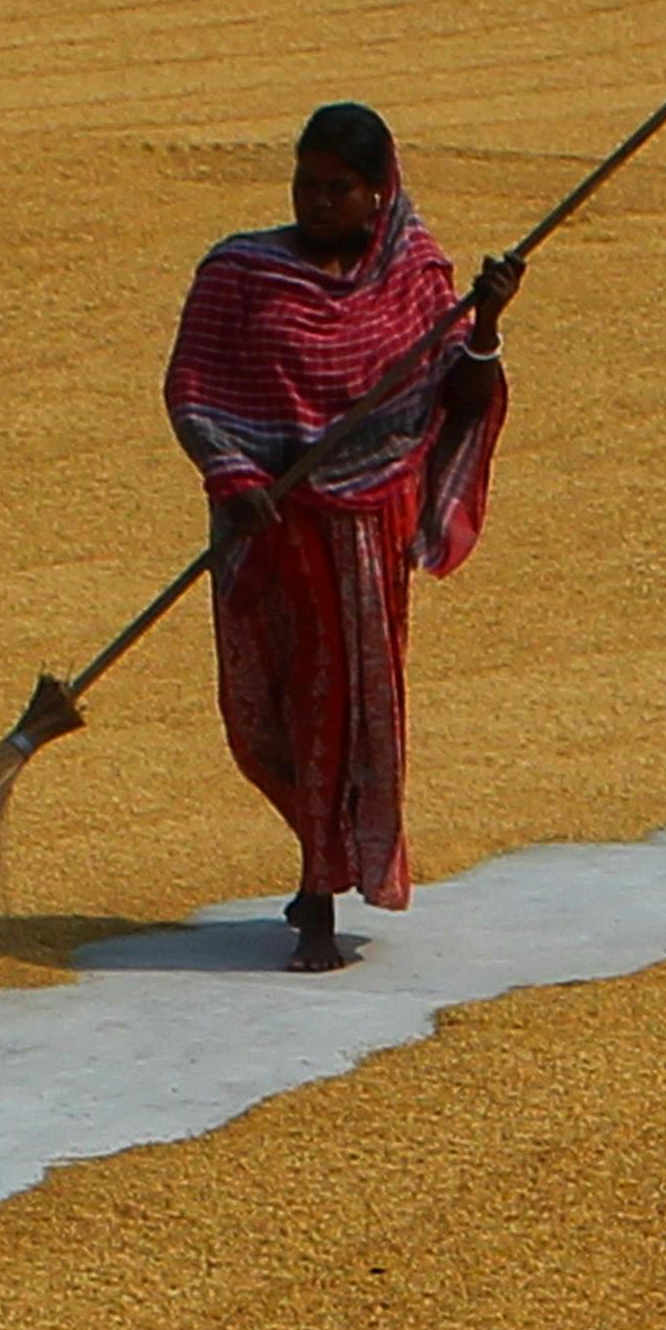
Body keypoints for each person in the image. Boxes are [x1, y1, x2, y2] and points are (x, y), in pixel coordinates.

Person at [164, 104, 520, 972]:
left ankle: (318, 901)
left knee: (340, 711)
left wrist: (487, 324)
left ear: (378, 194)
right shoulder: (240, 272)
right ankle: (317, 858)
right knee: (270, 713)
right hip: (267, 532)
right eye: (307, 184)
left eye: (338, 189)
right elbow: (193, 387)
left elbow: (460, 399)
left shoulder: (416, 279)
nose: (318, 202)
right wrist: (236, 476)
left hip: (364, 533)